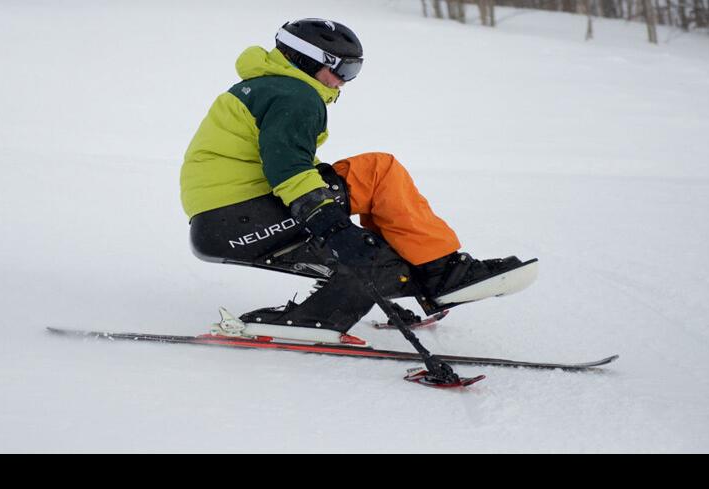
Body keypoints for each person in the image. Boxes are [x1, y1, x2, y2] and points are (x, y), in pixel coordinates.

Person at [180, 18, 536, 343]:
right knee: (377, 174)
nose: (345, 82)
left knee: (372, 177)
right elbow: (288, 169)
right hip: (237, 218)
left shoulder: (267, 87)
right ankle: (438, 273)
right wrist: (332, 227)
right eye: (344, 69)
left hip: (226, 217)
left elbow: (281, 164)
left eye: (355, 70)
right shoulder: (295, 96)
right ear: (306, 59)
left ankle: (436, 270)